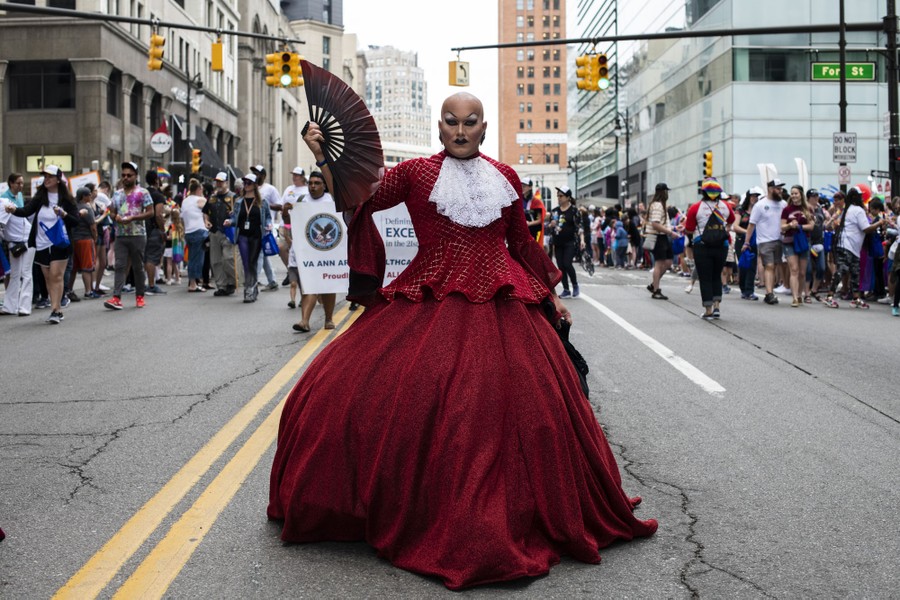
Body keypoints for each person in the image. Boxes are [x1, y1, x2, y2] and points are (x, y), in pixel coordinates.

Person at [268, 92, 657, 590]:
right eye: (451, 121)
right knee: (396, 397)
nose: (459, 130)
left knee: (522, 410)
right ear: (439, 126)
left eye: (469, 122)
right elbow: (358, 197)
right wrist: (324, 156)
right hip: (430, 288)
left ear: (483, 128)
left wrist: (547, 294)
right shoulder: (413, 175)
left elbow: (519, 243)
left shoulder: (506, 178)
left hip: (503, 296)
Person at [5, 165, 81, 324]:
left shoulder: (66, 199)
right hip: (40, 243)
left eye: (50, 177)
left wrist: (63, 214)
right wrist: (13, 210)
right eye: (45, 177)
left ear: (58, 180)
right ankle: (55, 307)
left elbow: (75, 222)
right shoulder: (40, 197)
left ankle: (56, 309)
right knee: (48, 278)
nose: (46, 180)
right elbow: (26, 211)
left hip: (60, 242)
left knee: (56, 275)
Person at [287, 171, 337, 332]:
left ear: (324, 185)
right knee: (309, 286)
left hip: (328, 252)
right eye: (311, 183)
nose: (313, 186)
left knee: (328, 286)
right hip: (308, 253)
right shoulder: (301, 201)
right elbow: (290, 222)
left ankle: (329, 318)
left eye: (317, 183)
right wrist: (285, 211)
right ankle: (304, 321)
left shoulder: (332, 201)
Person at [103, 162, 154, 311]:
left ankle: (140, 296)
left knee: (138, 267)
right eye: (123, 175)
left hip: (138, 235)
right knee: (119, 265)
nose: (125, 178)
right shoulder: (117, 193)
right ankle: (116, 297)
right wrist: (115, 217)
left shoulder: (142, 192)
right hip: (120, 235)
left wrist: (134, 218)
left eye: (129, 175)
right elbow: (111, 211)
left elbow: (151, 212)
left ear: (135, 176)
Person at [824, 187, 887, 308]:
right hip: (849, 245)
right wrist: (879, 223)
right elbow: (866, 228)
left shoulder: (849, 209)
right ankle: (829, 296)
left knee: (854, 272)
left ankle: (856, 298)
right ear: (856, 197)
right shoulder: (858, 210)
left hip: (848, 245)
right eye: (860, 196)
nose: (862, 198)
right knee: (842, 270)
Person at [684, 178, 735, 320]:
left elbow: (689, 228)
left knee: (705, 277)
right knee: (716, 275)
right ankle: (717, 306)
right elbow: (731, 221)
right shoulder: (725, 206)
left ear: (703, 192)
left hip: (702, 245)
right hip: (722, 246)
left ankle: (708, 310)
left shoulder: (695, 207)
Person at [224, 173, 272, 303]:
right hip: (242, 236)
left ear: (255, 185)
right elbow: (235, 218)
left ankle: (251, 288)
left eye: (249, 183)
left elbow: (267, 216)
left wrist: (268, 224)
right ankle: (250, 288)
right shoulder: (239, 202)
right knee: (246, 263)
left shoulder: (262, 202)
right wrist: (230, 221)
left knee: (252, 262)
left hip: (256, 235)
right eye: (244, 183)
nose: (246, 185)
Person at [742, 179, 788, 305]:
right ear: (771, 189)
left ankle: (770, 290)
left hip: (779, 240)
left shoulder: (783, 204)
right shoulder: (760, 205)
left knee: (775, 266)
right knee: (769, 266)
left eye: (781, 189)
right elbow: (751, 225)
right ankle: (769, 294)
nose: (780, 191)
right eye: (778, 188)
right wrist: (746, 242)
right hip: (764, 241)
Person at [0, 172, 34, 316]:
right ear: (11, 184)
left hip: (28, 239)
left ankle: (24, 307)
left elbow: (23, 217)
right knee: (15, 274)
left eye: (22, 183)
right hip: (14, 242)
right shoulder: (3, 201)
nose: (21, 186)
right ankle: (9, 307)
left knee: (26, 273)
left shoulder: (18, 197)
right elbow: (2, 224)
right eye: (18, 183)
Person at [645, 183, 679, 300]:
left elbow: (661, 223)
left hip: (662, 236)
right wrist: (671, 232)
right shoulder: (658, 205)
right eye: (666, 191)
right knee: (659, 264)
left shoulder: (659, 205)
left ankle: (654, 285)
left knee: (668, 262)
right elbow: (655, 224)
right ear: (663, 192)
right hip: (658, 237)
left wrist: (673, 229)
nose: (667, 194)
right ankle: (656, 290)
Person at [205, 172, 237, 296]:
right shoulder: (212, 198)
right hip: (214, 232)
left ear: (226, 183)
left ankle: (232, 281)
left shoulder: (233, 197)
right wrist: (206, 221)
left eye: (221, 182)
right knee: (216, 260)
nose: (218, 184)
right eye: (217, 181)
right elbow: (206, 212)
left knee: (228, 258)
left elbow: (239, 214)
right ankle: (222, 286)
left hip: (227, 232)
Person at [250, 165, 281, 290]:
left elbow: (280, 206)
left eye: (257, 173)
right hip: (252, 226)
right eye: (253, 173)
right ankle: (272, 280)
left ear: (263, 176)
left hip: (264, 227)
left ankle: (254, 282)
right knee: (263, 256)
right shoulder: (250, 188)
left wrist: (265, 204)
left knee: (259, 255)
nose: (255, 175)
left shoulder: (270, 189)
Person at [550, 185, 582, 297]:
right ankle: (566, 289)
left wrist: (582, 240)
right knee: (561, 266)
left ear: (568, 197)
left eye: (561, 196)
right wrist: (551, 225)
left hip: (570, 242)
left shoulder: (574, 211)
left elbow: (579, 227)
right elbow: (551, 226)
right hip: (558, 242)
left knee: (567, 264)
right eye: (558, 196)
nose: (559, 198)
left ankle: (575, 285)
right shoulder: (555, 211)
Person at [181, 179, 211, 293]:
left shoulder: (185, 201)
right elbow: (208, 208)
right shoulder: (200, 199)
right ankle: (194, 284)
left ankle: (193, 282)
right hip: (199, 231)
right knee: (198, 259)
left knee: (191, 258)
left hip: (189, 232)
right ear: (198, 190)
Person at [733, 187, 762, 300]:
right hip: (741, 240)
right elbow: (735, 226)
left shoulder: (758, 209)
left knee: (752, 266)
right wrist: (748, 232)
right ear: (748, 197)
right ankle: (743, 289)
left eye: (756, 196)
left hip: (754, 241)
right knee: (743, 265)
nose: (754, 198)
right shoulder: (740, 210)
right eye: (753, 196)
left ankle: (749, 290)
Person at [143, 169, 168, 296]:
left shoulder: (143, 192)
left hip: (142, 228)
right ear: (156, 180)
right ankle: (151, 285)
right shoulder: (158, 195)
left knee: (144, 256)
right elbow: (158, 215)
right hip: (153, 229)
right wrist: (162, 230)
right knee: (152, 257)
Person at [71, 187, 97, 299]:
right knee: (87, 267)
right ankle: (88, 291)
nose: (90, 196)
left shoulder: (73, 208)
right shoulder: (87, 208)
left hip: (73, 240)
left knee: (73, 267)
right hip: (86, 240)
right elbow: (93, 226)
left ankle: (69, 289)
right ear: (84, 196)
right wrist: (95, 238)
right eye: (89, 195)